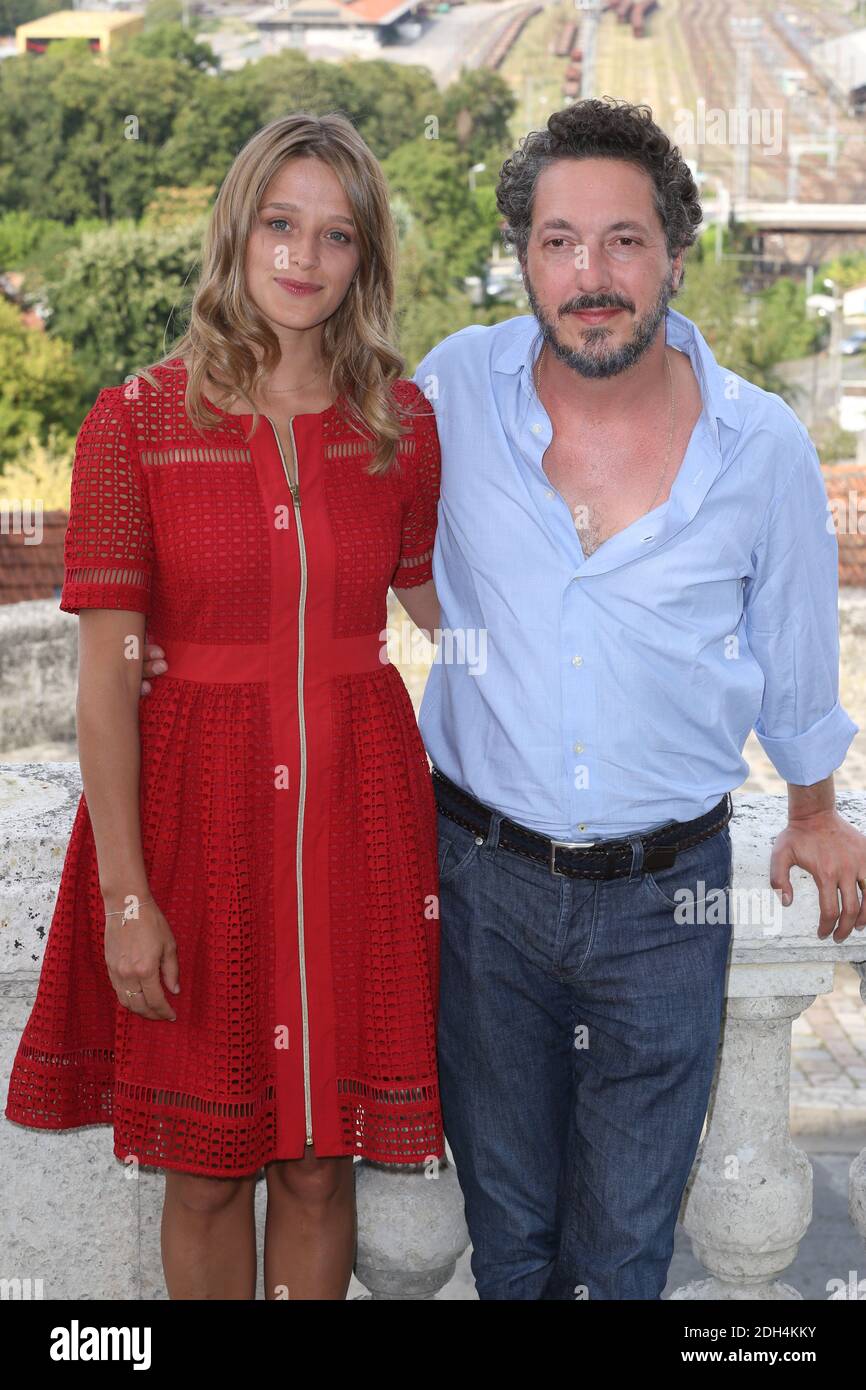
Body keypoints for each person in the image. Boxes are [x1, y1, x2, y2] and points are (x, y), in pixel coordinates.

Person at [141, 98, 866, 1301]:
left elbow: (792, 645)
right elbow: (350, 547)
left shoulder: (764, 446)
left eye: (623, 241)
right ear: (520, 256)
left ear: (674, 253)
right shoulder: (445, 394)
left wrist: (813, 804)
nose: (591, 274)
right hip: (481, 891)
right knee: (510, 1239)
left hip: (665, 903)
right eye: (558, 240)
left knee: (623, 1253)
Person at [5, 111, 445, 1301]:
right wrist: (126, 895)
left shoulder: (400, 426)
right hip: (197, 833)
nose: (302, 258)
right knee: (205, 1170)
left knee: (318, 1166)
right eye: (279, 224)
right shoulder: (135, 422)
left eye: (336, 236)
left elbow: (447, 616)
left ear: (365, 260)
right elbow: (106, 678)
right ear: (236, 230)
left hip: (359, 825)